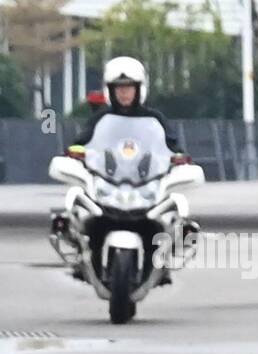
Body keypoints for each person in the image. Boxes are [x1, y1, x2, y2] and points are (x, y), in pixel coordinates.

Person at [67, 57, 185, 284]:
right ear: (110, 90)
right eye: (119, 88)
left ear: (139, 89)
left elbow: (171, 146)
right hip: (109, 184)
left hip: (145, 185)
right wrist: (74, 152)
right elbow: (82, 142)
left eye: (129, 87)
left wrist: (179, 158)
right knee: (89, 221)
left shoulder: (154, 119)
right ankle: (84, 262)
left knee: (160, 223)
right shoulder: (100, 118)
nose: (124, 93)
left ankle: (160, 268)